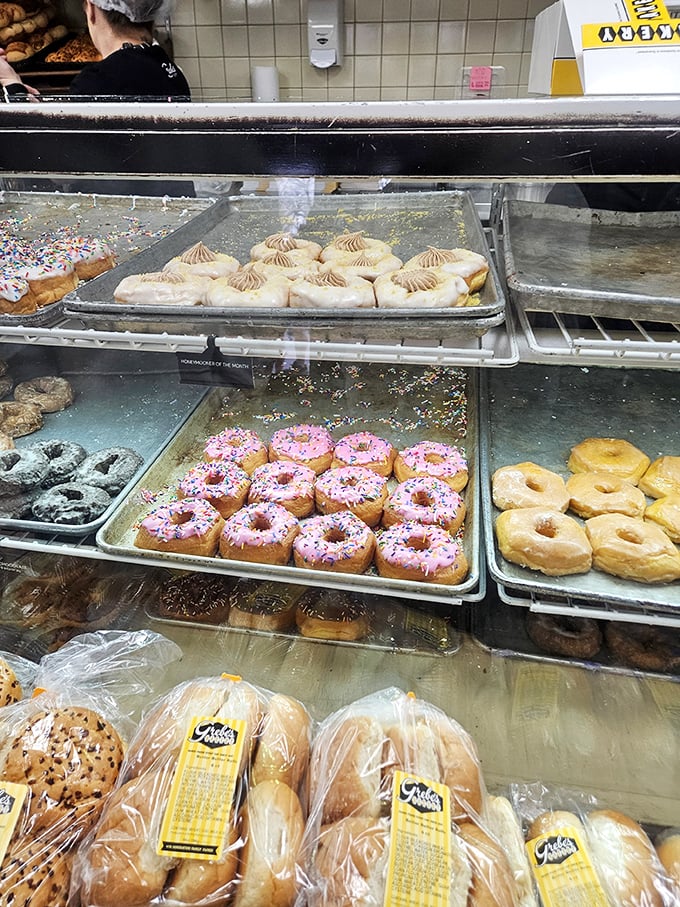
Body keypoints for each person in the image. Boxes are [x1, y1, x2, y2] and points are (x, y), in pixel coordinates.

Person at [1, 0, 190, 102]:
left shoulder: (96, 82)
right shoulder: (170, 70)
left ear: (91, 9)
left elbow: (56, 154)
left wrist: (11, 84)